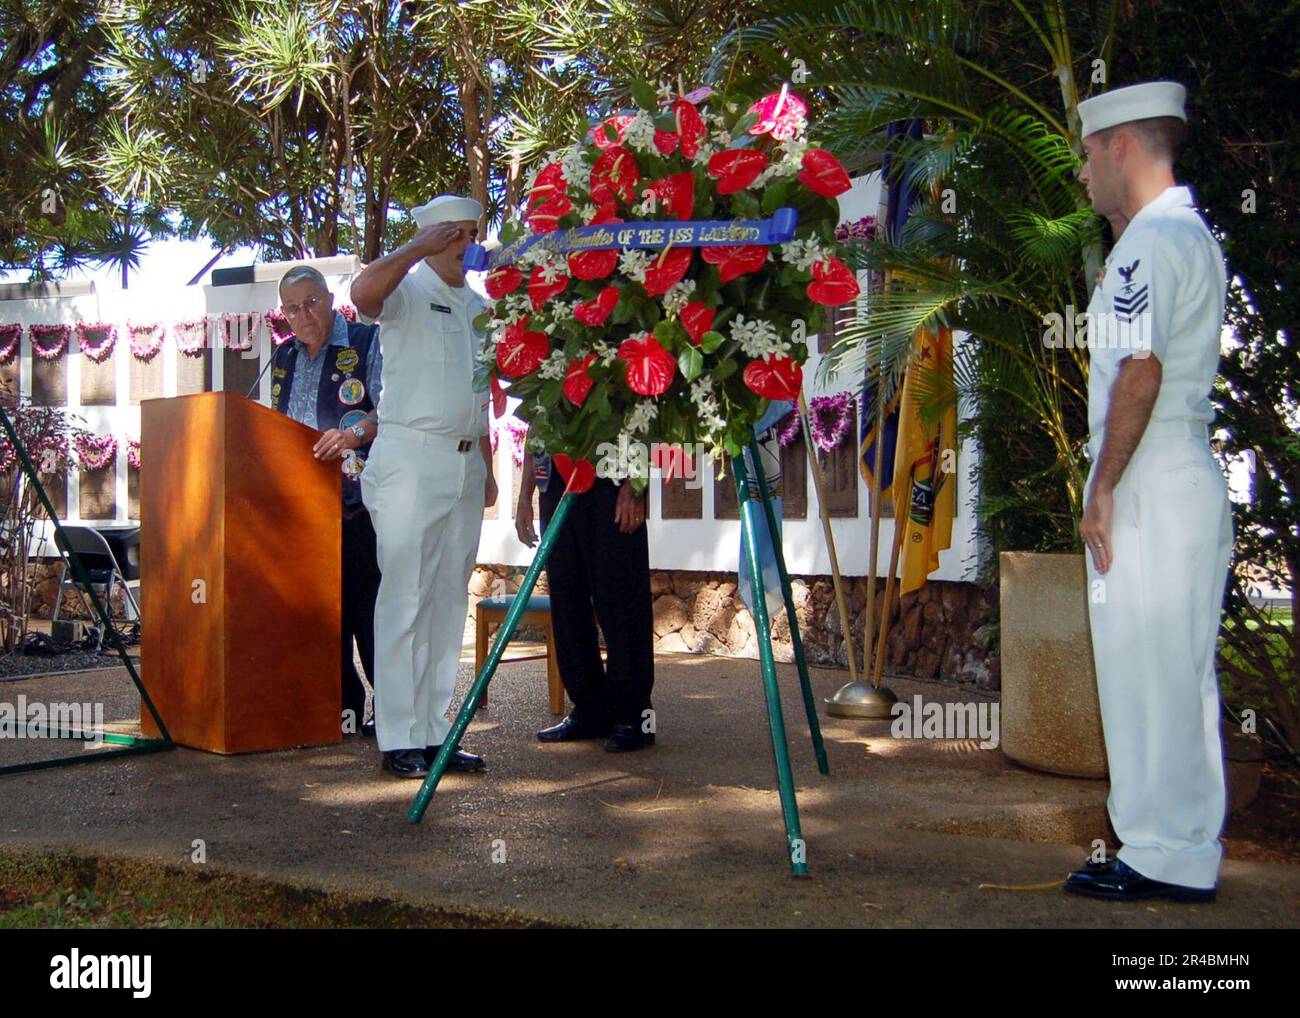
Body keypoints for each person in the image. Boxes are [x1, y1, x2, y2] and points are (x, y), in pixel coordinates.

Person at [1065, 81, 1233, 903]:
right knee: (1176, 670)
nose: (1084, 174)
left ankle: (1161, 850)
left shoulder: (1145, 246)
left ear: (1120, 145)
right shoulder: (1186, 235)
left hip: (1147, 480)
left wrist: (1102, 491)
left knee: (1146, 667)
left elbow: (1141, 367)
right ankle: (1178, 847)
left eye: (1088, 155)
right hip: (1180, 472)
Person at [350, 195, 498, 779]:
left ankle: (436, 733)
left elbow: (479, 393)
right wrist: (415, 249)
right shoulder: (407, 290)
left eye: (470, 233)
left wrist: (484, 467)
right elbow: (362, 296)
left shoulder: (479, 307)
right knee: (405, 596)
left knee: (445, 602)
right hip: (411, 458)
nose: (463, 244)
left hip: (463, 463)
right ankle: (398, 737)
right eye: (453, 234)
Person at [271, 265, 382, 738]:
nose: (303, 314)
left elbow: (389, 410)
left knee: (370, 615)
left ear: (330, 298)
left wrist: (352, 435)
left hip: (360, 504)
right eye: (292, 308)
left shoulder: (365, 340)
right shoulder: (282, 358)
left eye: (311, 302)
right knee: (324, 619)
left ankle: (397, 716)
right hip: (304, 513)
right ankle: (342, 711)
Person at [515, 445, 655, 751]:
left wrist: (636, 485)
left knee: (622, 601)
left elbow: (645, 420)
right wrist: (525, 497)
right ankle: (590, 710)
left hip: (611, 478)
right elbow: (536, 425)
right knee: (567, 602)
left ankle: (638, 719)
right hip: (555, 484)